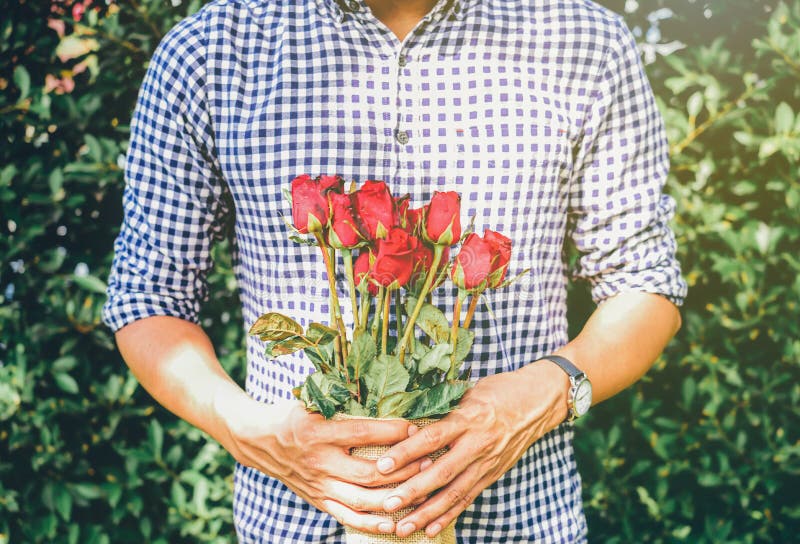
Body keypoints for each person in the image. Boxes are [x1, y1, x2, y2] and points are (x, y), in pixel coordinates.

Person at [102, 0, 687, 541]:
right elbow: (148, 298)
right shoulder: (210, 53)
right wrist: (252, 430)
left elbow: (644, 284)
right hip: (293, 527)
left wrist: (541, 394)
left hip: (524, 524)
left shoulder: (581, 41)